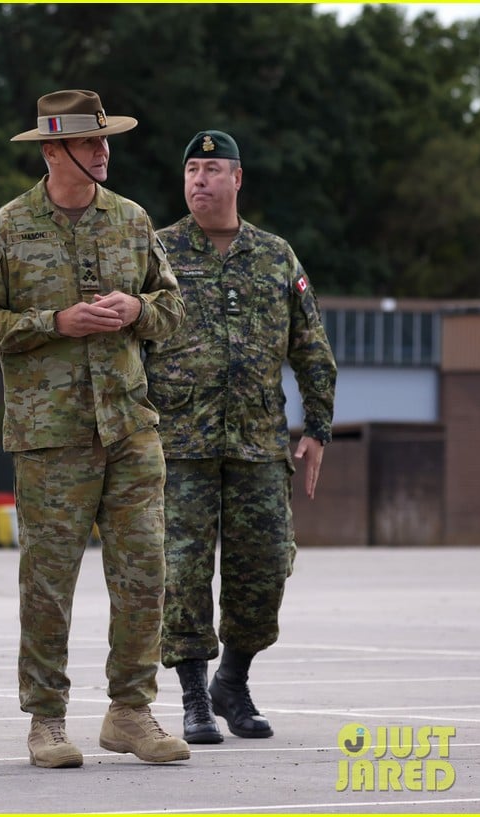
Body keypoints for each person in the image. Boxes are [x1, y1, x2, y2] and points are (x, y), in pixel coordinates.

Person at [0, 89, 189, 767]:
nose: (103, 151)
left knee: (146, 570)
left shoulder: (133, 220)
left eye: (105, 140)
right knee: (49, 580)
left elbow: (173, 308)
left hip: (130, 426)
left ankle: (130, 710)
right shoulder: (9, 226)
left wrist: (137, 309)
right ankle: (47, 719)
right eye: (90, 142)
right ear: (53, 150)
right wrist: (50, 323)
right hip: (51, 434)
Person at [145, 130, 337, 744]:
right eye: (191, 169)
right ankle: (195, 696)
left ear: (237, 179)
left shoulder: (276, 256)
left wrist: (318, 429)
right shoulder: (157, 252)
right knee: (182, 572)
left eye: (212, 169)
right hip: (179, 445)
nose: (199, 179)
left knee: (264, 570)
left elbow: (312, 351)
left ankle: (234, 679)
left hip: (258, 445)